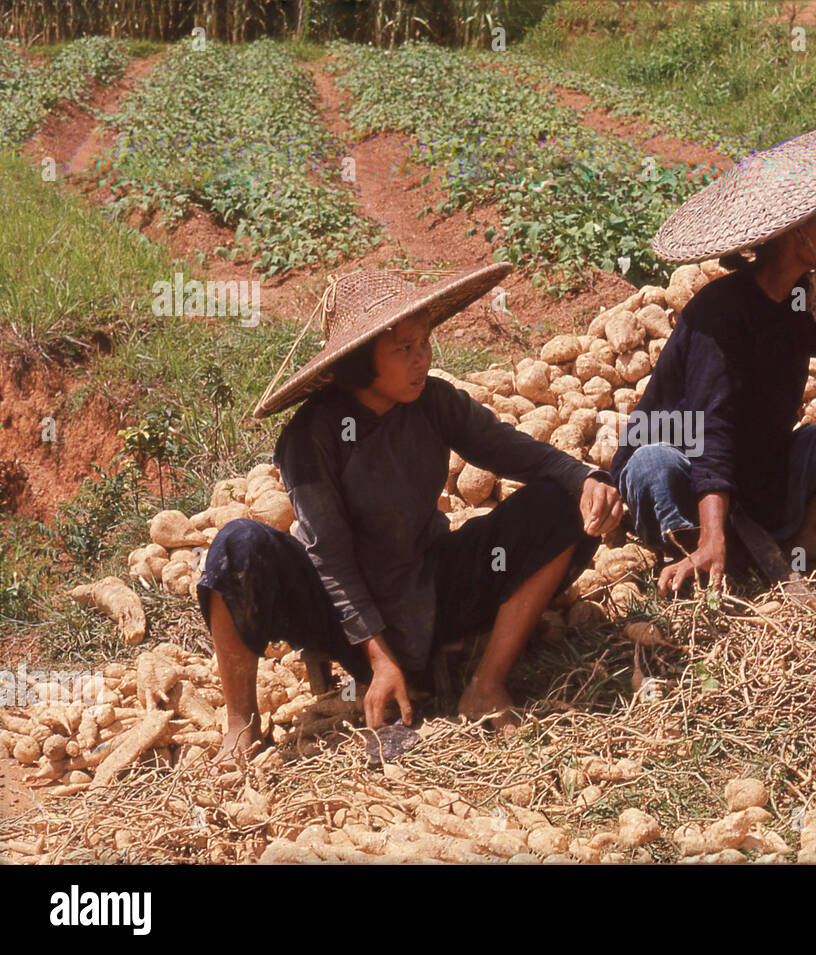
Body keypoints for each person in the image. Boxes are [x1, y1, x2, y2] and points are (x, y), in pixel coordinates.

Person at [197, 265, 624, 760]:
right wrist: (379, 659)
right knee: (237, 547)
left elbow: (516, 452)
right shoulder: (313, 436)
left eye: (424, 343)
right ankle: (240, 724)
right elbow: (330, 557)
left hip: (432, 587)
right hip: (340, 614)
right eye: (403, 349)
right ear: (360, 361)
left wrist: (588, 479)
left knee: (561, 499)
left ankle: (485, 685)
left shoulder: (433, 402)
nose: (421, 359)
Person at [612, 117, 816, 596]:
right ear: (797, 234)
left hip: (764, 468)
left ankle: (799, 528)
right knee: (651, 465)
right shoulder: (720, 313)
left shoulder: (804, 298)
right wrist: (714, 530)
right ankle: (707, 549)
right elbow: (708, 433)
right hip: (688, 465)